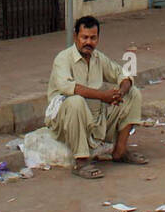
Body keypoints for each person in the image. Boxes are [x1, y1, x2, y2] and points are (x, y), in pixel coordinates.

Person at [46, 15, 148, 180]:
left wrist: (120, 92)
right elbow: (69, 88)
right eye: (84, 37)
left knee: (133, 93)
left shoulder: (98, 58)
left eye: (93, 38)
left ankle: (120, 152)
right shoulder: (63, 59)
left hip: (96, 119)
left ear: (98, 39)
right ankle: (81, 161)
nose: (88, 42)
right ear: (75, 37)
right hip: (66, 121)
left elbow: (124, 74)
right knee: (75, 101)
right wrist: (103, 96)